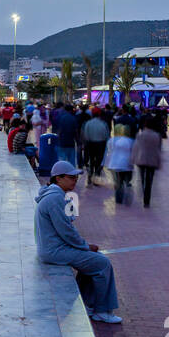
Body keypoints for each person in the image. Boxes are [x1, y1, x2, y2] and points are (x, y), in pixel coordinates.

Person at [34, 161, 121, 323]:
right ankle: (102, 310)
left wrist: (84, 247)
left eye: (76, 178)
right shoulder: (55, 199)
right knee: (102, 263)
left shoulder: (56, 195)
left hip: (53, 248)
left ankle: (87, 304)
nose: (75, 181)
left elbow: (67, 226)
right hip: (55, 251)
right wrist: (86, 246)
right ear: (58, 179)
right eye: (71, 178)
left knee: (91, 263)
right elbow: (67, 231)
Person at [130, 117, 163, 208]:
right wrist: (159, 162)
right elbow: (158, 150)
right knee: (150, 180)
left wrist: (133, 158)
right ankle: (147, 199)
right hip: (152, 160)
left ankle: (144, 191)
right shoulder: (157, 136)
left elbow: (136, 147)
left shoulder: (140, 135)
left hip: (141, 159)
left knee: (143, 178)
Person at [103, 123, 135, 205]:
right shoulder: (130, 141)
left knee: (118, 182)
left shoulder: (112, 140)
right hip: (127, 165)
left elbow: (109, 150)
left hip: (115, 164)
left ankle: (118, 199)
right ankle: (127, 195)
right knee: (127, 181)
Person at [80, 109, 110, 186]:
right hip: (100, 144)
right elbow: (106, 136)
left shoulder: (88, 123)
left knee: (91, 160)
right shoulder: (103, 124)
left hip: (90, 144)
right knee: (98, 161)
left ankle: (90, 176)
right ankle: (96, 178)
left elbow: (86, 135)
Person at [52, 102, 80, 167]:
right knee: (71, 161)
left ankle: (62, 174)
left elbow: (57, 129)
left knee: (61, 160)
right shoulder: (73, 118)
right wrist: (78, 142)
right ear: (71, 110)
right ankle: (72, 175)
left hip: (61, 142)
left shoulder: (60, 117)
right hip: (70, 143)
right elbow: (76, 131)